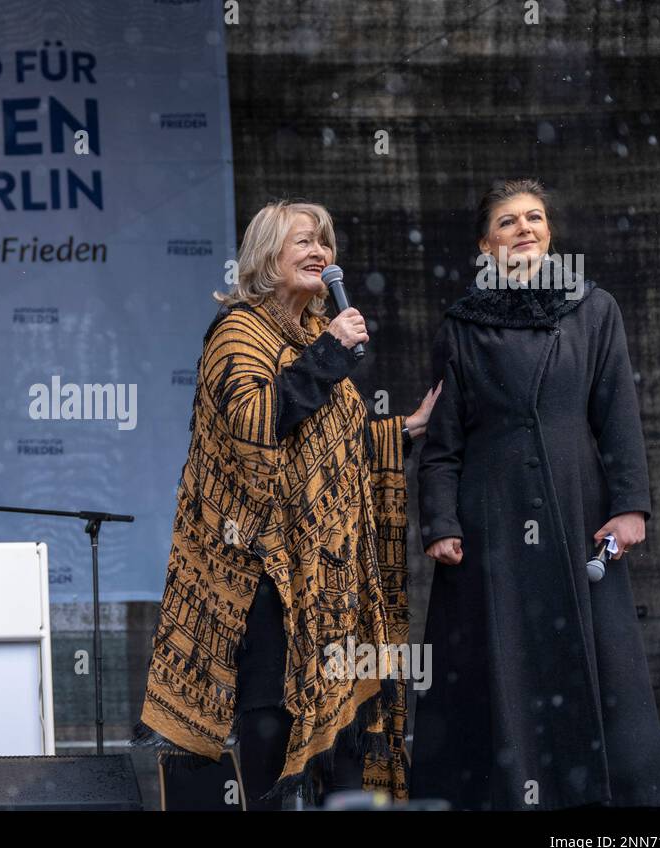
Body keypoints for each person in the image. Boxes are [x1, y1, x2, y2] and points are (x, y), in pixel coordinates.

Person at [132, 199, 439, 808]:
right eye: (302, 241)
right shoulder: (239, 331)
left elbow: (332, 451)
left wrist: (400, 432)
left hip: (329, 581)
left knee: (348, 728)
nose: (319, 253)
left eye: (324, 243)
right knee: (270, 720)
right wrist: (326, 353)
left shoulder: (308, 340)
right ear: (265, 258)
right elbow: (254, 423)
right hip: (263, 570)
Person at [412, 177, 660, 810]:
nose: (524, 228)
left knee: (596, 661)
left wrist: (630, 505)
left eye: (534, 218)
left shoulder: (593, 309)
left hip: (577, 509)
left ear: (550, 234)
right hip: (490, 522)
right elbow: (444, 444)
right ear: (486, 244)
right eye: (507, 222)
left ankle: (601, 814)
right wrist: (441, 522)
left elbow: (618, 415)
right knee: (498, 669)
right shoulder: (462, 325)